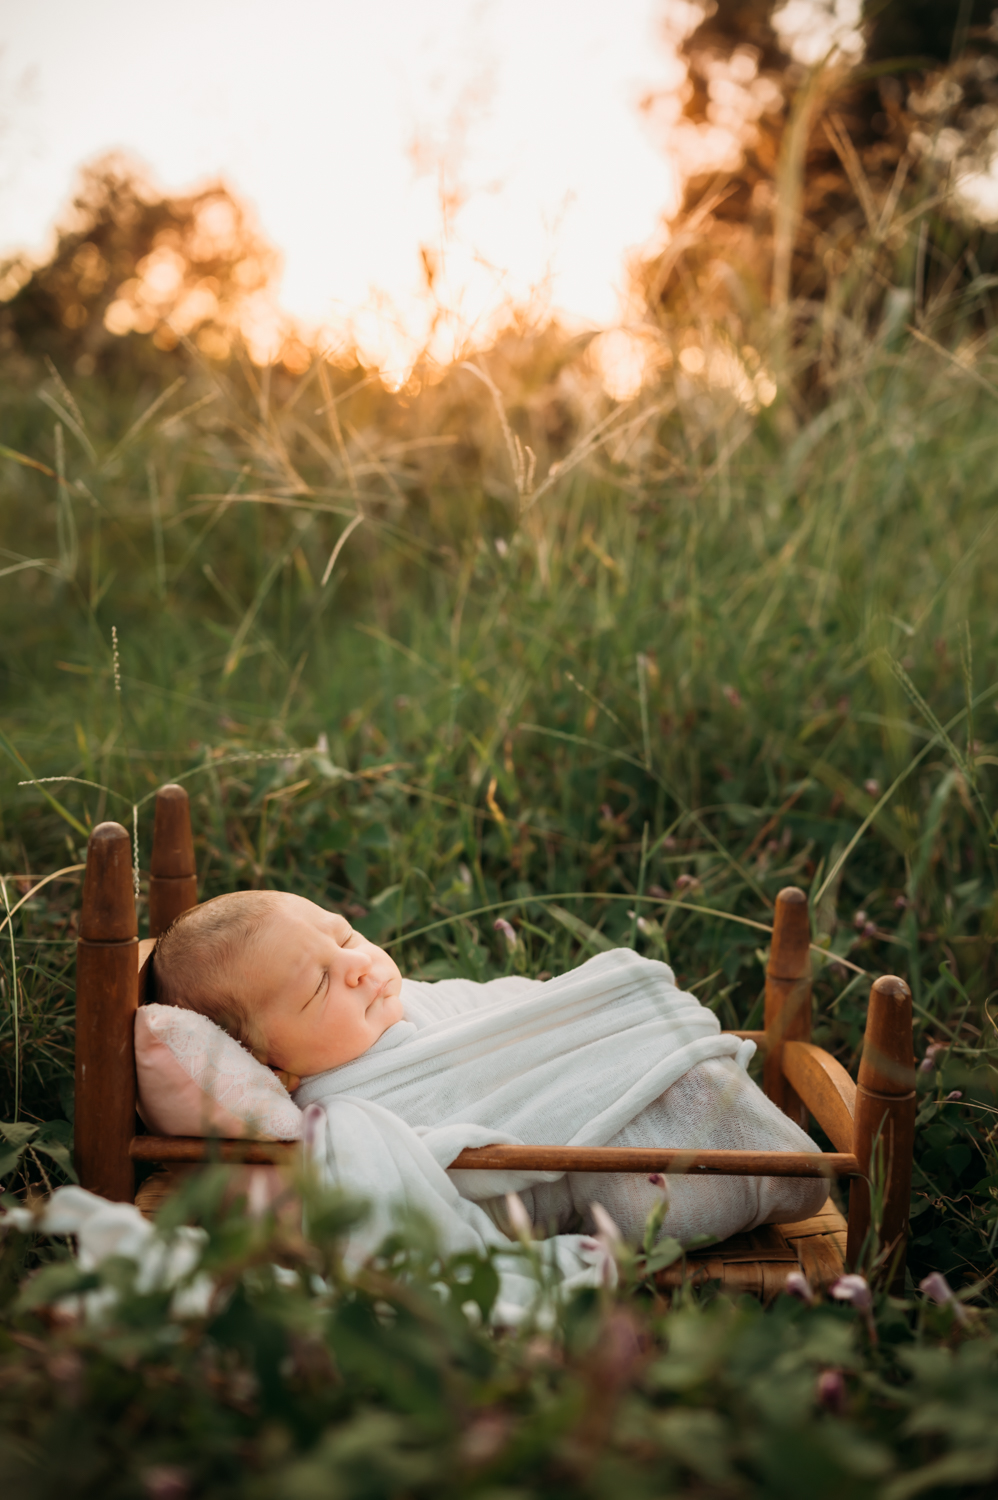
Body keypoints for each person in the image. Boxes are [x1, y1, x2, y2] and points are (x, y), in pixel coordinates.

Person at [152, 889, 829, 1247]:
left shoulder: (412, 1001)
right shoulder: (344, 1105)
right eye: (319, 987)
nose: (358, 966)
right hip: (592, 1161)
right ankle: (761, 1167)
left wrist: (596, 1022)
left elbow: (517, 1012)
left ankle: (715, 1113)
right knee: (662, 1157)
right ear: (273, 1064)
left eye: (345, 936)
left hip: (603, 1073)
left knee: (665, 1058)